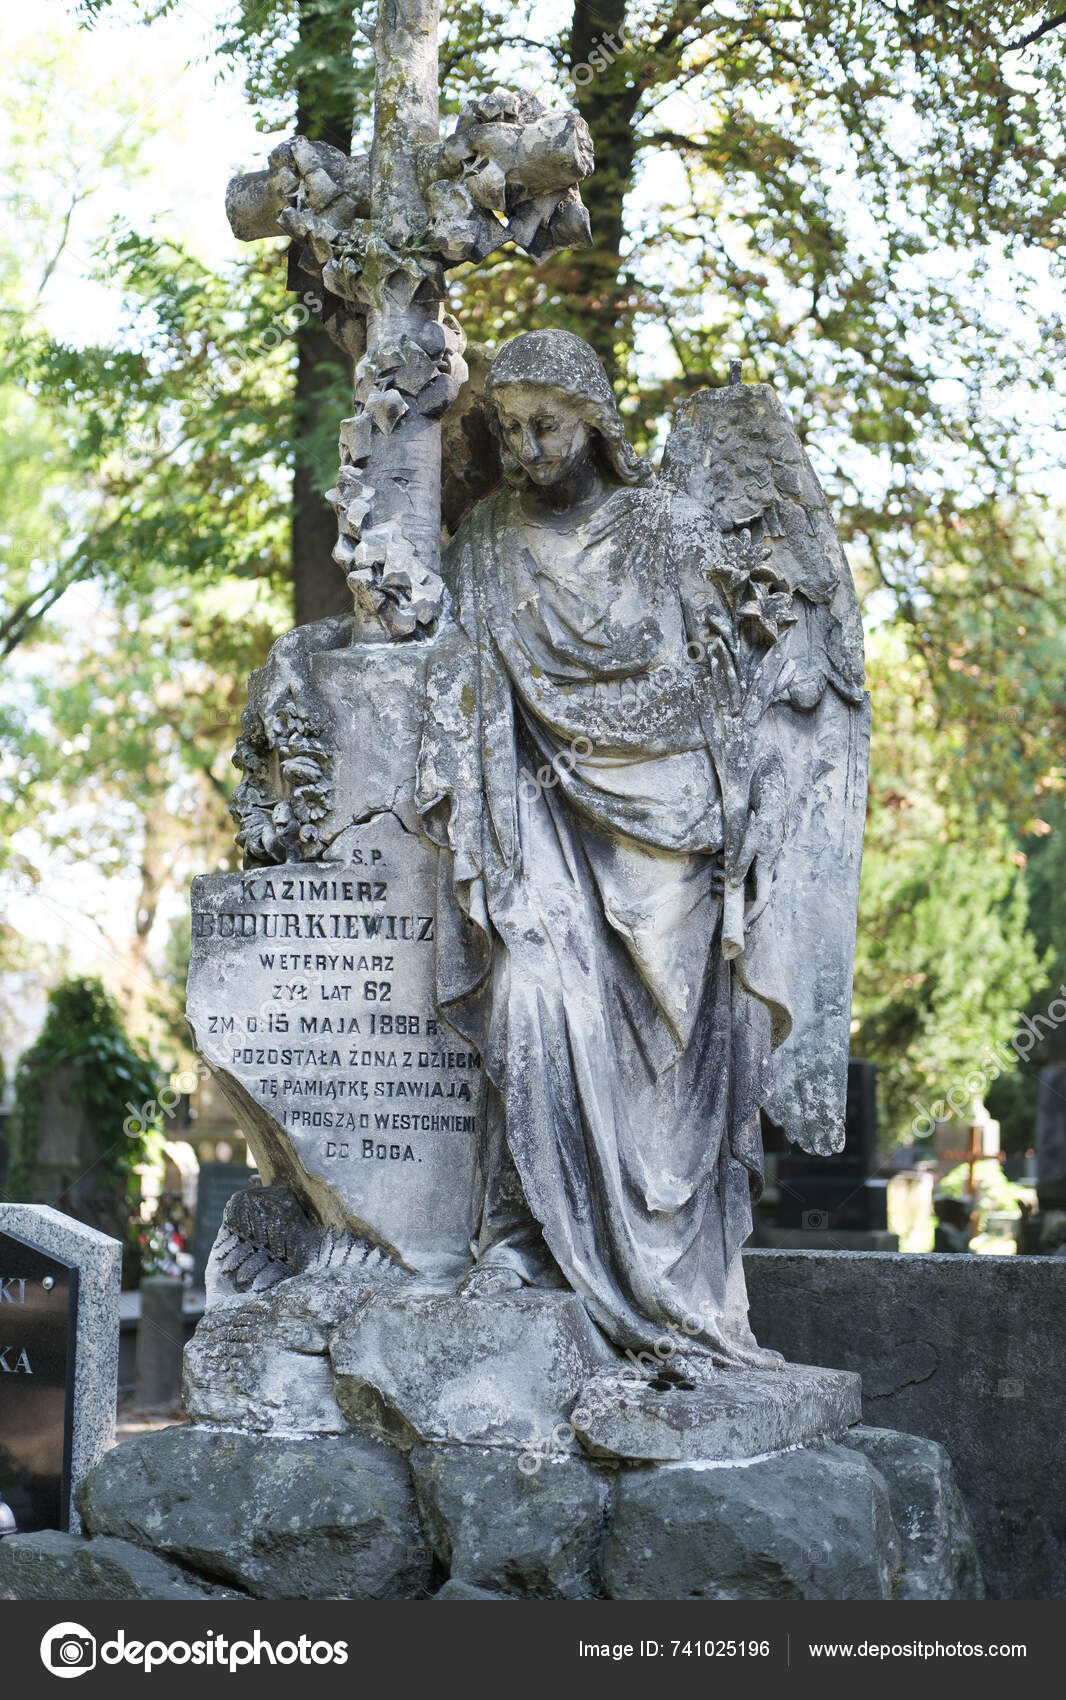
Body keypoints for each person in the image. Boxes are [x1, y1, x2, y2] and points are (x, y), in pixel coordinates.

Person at [416, 329, 794, 1367]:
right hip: (534, 819)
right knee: (531, 993)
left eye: (548, 424)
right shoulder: (486, 535)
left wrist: (729, 823)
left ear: (597, 422)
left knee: (670, 1072)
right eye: (507, 427)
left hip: (664, 839)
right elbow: (463, 686)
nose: (528, 446)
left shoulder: (663, 526)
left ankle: (671, 1274)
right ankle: (526, 1234)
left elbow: (713, 686)